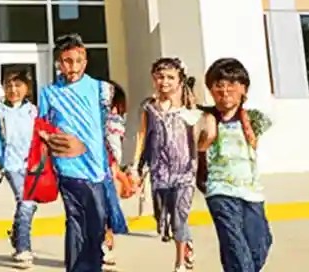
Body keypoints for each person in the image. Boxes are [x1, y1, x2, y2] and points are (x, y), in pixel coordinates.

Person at [37, 34, 119, 272]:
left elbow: (110, 129)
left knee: (97, 222)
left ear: (85, 60)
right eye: (66, 61)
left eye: (77, 60)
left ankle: (90, 266)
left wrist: (115, 165)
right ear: (58, 64)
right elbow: (42, 126)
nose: (72, 67)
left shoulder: (101, 89)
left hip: (97, 167)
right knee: (76, 219)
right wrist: (51, 140)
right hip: (69, 167)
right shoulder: (49, 93)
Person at [197, 58, 273, 272]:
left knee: (261, 244)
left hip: (252, 192)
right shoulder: (205, 117)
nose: (225, 90)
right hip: (219, 190)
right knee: (236, 248)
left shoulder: (254, 119)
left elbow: (273, 117)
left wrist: (244, 115)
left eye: (232, 84)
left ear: (243, 89)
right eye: (218, 85)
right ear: (211, 89)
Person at [130, 57, 202, 272]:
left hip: (185, 171)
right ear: (154, 79)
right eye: (160, 77)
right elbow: (142, 136)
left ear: (180, 80)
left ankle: (179, 263)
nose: (165, 82)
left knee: (180, 216)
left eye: (170, 77)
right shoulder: (149, 107)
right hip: (160, 171)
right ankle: (186, 241)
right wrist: (136, 166)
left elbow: (200, 136)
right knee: (162, 218)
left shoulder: (189, 107)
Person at [0, 70, 40, 267]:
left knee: (29, 204)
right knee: (26, 201)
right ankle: (23, 248)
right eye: (9, 85)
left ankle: (17, 233)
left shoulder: (32, 110)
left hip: (32, 165)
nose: (13, 90)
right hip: (11, 165)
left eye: (18, 85)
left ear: (27, 88)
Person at [102, 81, 131, 267]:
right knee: (106, 207)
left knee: (107, 207)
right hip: (103, 165)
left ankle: (107, 245)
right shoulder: (110, 118)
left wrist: (119, 171)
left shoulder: (115, 118)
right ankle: (105, 246)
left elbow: (115, 146)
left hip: (109, 164)